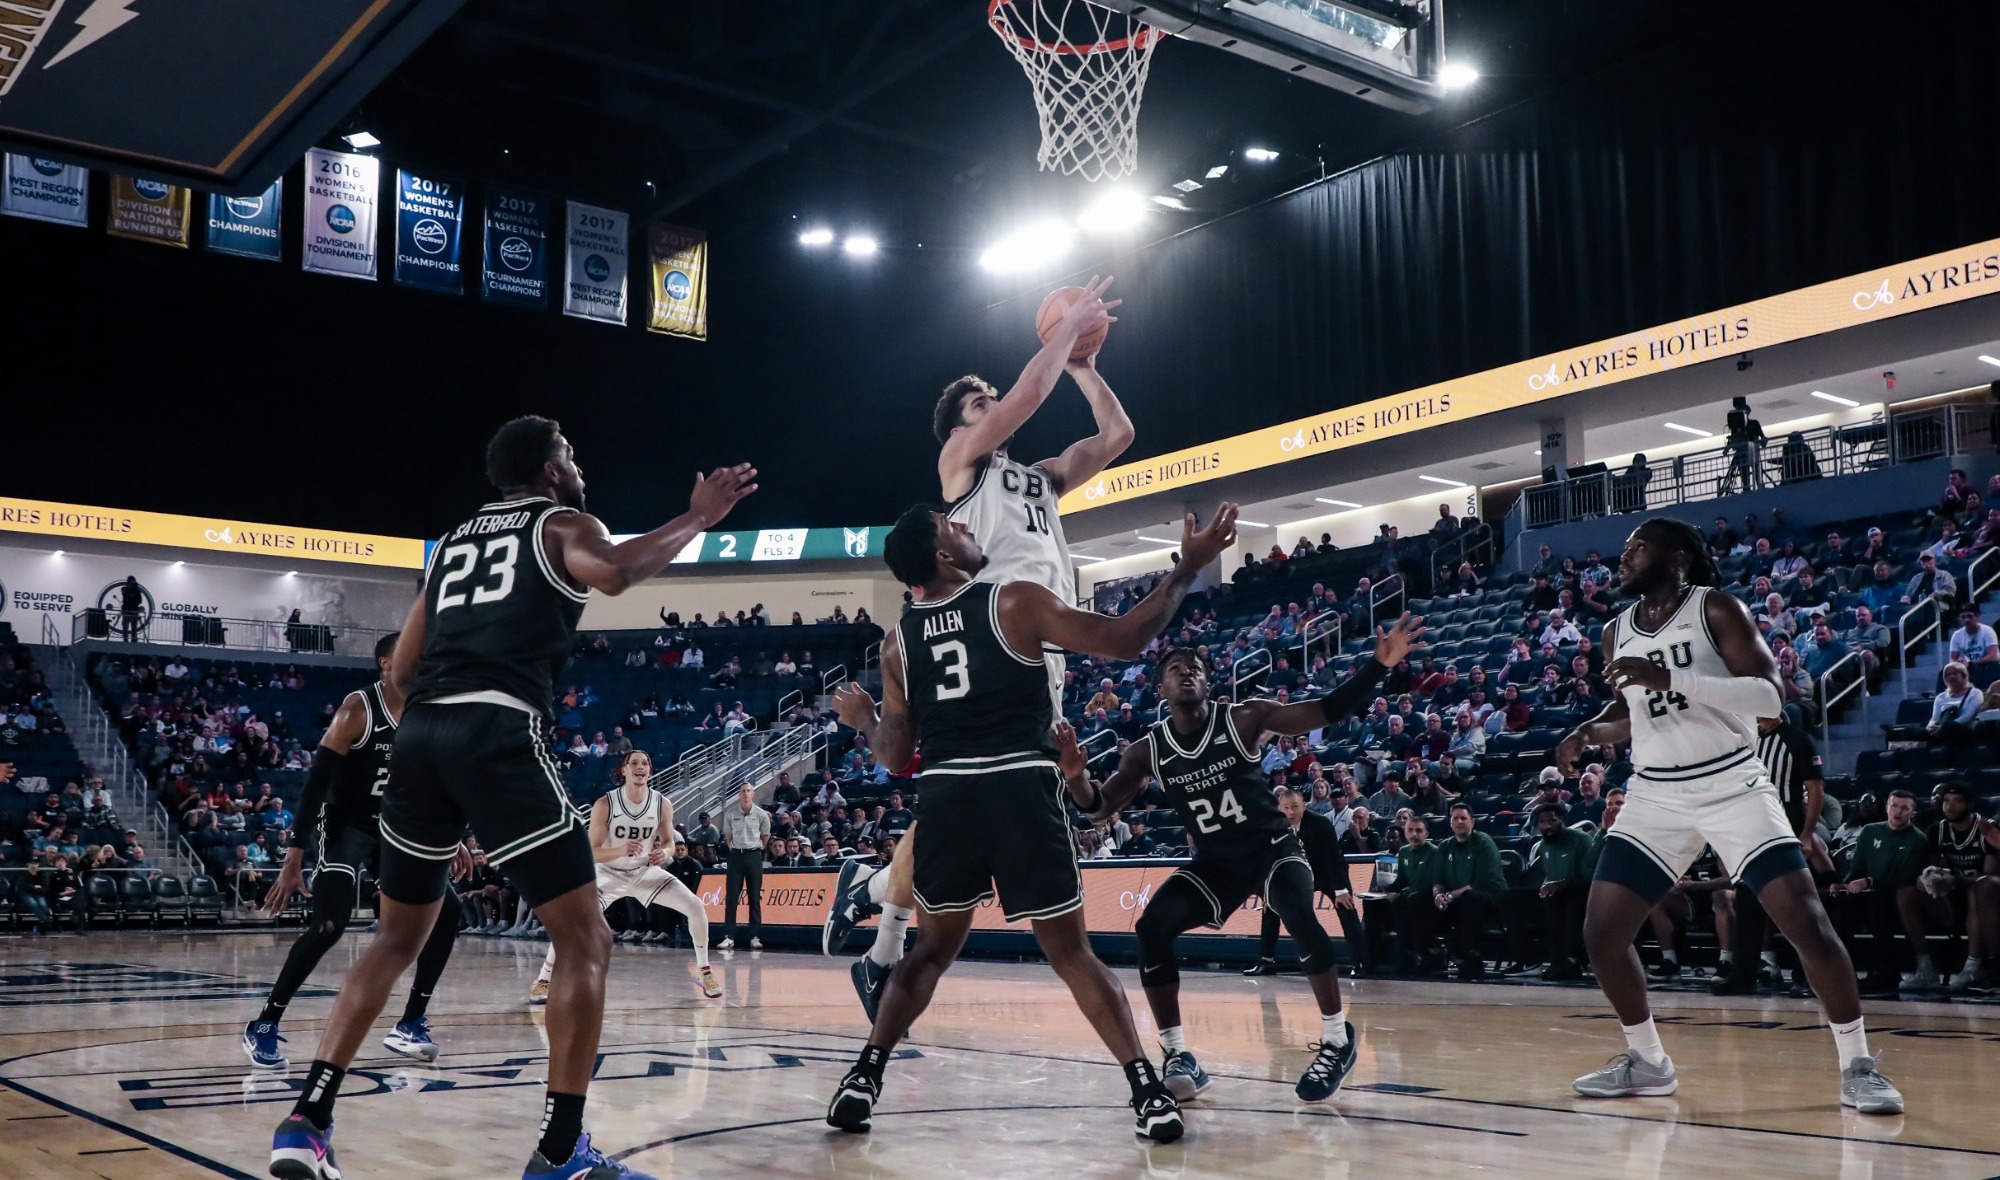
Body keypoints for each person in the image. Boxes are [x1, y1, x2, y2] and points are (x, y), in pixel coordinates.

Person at [266, 416, 755, 1180]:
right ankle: (561, 1152)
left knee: (395, 937)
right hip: (497, 730)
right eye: (571, 452)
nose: (578, 463)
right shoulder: (562, 521)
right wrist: (698, 516)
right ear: (551, 468)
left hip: (420, 739)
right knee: (586, 940)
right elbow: (618, 571)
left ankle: (307, 1119)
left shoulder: (454, 542)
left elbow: (402, 672)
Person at [821, 499, 1240, 1143]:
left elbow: (896, 755)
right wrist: (1187, 569)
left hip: (948, 797)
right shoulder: (1011, 601)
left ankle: (863, 1077)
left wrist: (866, 720)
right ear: (942, 555)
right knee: (1070, 951)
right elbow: (1127, 638)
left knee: (931, 949)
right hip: (1018, 787)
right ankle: (1145, 1091)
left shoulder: (896, 643)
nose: (966, 530)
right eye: (954, 528)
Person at [821, 277, 1133, 1000]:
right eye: (978, 400)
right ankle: (880, 921)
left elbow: (1117, 437)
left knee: (975, 794)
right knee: (981, 785)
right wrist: (1065, 329)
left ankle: (875, 922)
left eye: (989, 399)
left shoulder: (1040, 477)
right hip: (985, 628)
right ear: (959, 422)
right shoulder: (959, 460)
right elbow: (1026, 395)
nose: (993, 405)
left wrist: (1085, 366)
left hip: (1039, 640)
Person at [1557, 518, 1902, 1114]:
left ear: (1678, 556)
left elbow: (1773, 698)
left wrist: (1672, 677)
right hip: (1655, 796)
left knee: (1807, 923)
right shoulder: (1615, 632)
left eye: (1638, 546)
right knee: (1602, 933)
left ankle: (1859, 1067)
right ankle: (1648, 1062)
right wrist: (1588, 731)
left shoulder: (1715, 609)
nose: (1624, 556)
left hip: (1732, 784)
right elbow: (1630, 712)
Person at [1089, 619, 1421, 1104]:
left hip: (1271, 848)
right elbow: (1096, 807)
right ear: (1160, 688)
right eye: (1174, 669)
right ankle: (1179, 1054)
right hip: (1217, 864)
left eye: (1195, 668)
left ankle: (1336, 1038)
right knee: (1151, 928)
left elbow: (1327, 708)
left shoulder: (1244, 718)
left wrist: (1377, 665)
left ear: (1209, 682)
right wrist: (1075, 777)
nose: (1185, 673)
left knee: (1295, 906)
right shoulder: (1148, 751)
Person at [246, 633, 464, 1072]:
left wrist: (451, 836)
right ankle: (265, 1023)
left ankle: (410, 1023)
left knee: (447, 913)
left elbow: (434, 780)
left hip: (397, 825)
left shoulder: (428, 708)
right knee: (330, 923)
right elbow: (316, 785)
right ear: (386, 662)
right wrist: (294, 856)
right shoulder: (358, 709)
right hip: (346, 824)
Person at [530, 750, 720, 1004]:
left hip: (644, 873)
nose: (640, 767)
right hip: (608, 873)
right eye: (634, 763)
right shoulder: (605, 804)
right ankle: (543, 979)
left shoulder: (662, 803)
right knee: (574, 921)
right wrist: (621, 850)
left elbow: (669, 843)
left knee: (695, 906)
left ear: (650, 771)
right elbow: (591, 853)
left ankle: (703, 970)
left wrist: (663, 853)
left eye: (645, 763)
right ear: (624, 770)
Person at [1713, 715, 1828, 996]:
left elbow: (1815, 788)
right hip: (1752, 823)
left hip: (1787, 819)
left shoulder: (1797, 738)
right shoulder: (1747, 738)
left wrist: (1807, 833)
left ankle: (1805, 977)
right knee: (1747, 901)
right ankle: (1743, 976)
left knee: (1796, 905)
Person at [718, 782, 770, 950]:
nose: (746, 793)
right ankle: (729, 936)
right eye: (743, 791)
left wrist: (756, 848)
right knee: (732, 898)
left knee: (754, 898)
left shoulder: (761, 815)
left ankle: (755, 936)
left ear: (753, 793)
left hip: (754, 856)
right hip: (736, 857)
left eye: (748, 791)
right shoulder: (730, 814)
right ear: (739, 794)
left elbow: (765, 837)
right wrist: (736, 848)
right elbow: (728, 836)